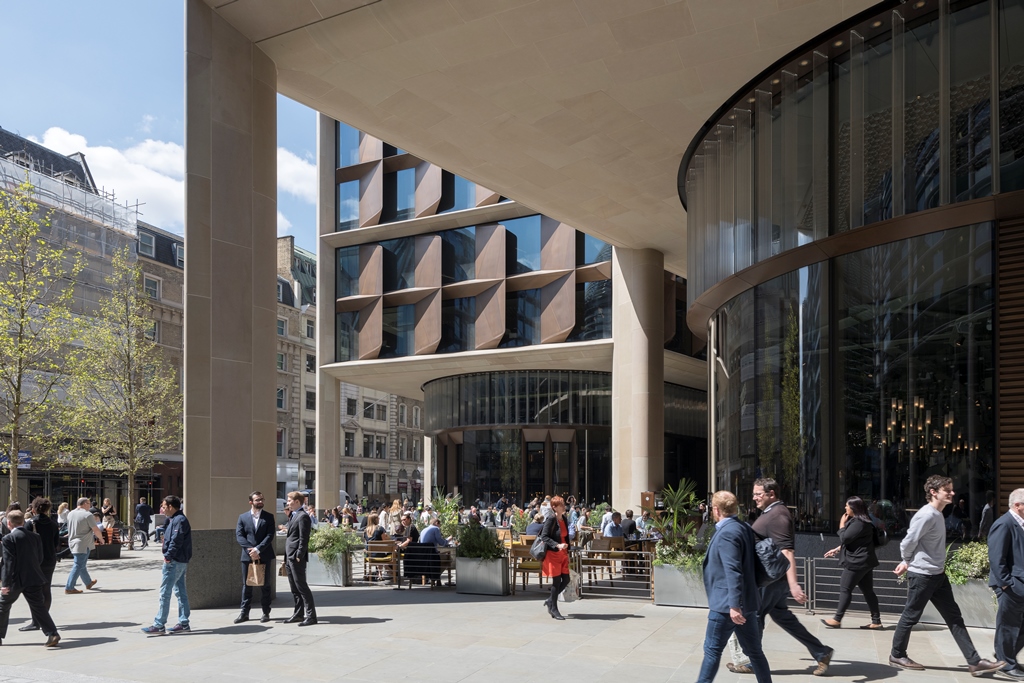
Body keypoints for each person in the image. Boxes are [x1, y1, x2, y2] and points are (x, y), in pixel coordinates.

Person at [888, 475, 1004, 674]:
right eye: (947, 490)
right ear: (933, 492)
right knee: (910, 616)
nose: (952, 493)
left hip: (937, 575)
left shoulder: (938, 514)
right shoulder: (926, 515)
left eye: (951, 489)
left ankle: (974, 662)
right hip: (923, 575)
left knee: (954, 618)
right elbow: (908, 541)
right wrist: (906, 561)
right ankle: (897, 655)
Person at [750, 478, 833, 676]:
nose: (754, 498)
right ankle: (821, 652)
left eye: (758, 494)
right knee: (782, 616)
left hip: (771, 580)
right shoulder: (771, 512)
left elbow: (787, 551)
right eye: (754, 494)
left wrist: (794, 584)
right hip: (773, 579)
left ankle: (752, 661)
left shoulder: (778, 515)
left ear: (771, 494)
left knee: (755, 615)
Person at [696, 490, 771, 683]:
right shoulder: (743, 527)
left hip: (727, 605)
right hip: (746, 603)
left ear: (716, 510)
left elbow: (733, 570)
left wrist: (734, 605)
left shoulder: (728, 533)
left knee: (712, 650)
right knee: (755, 652)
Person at [821, 496, 882, 630]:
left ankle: (837, 619)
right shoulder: (862, 521)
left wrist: (841, 525)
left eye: (847, 506)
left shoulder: (859, 523)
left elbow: (845, 538)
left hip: (857, 562)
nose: (845, 508)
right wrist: (837, 549)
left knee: (845, 589)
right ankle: (876, 621)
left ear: (854, 508)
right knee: (868, 591)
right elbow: (854, 540)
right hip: (865, 561)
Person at [0, 511, 60, 647]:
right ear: (23, 521)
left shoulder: (9, 538)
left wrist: (5, 583)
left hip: (16, 579)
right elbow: (39, 558)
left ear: (8, 523)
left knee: (3, 606)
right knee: (38, 606)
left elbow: (8, 562)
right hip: (33, 577)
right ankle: (52, 633)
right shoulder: (35, 537)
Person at [987, 488, 1024, 679]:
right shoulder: (1004, 524)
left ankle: (1004, 656)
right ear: (1018, 505)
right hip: (1011, 585)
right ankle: (1006, 664)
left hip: (1019, 584)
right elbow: (996, 557)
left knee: (1018, 625)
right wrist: (1006, 584)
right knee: (1008, 625)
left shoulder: (1020, 524)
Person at [141, 496, 192, 635]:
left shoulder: (179, 520)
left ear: (171, 506)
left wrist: (168, 556)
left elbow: (176, 540)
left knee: (165, 592)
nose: (162, 509)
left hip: (174, 561)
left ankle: (159, 624)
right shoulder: (175, 519)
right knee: (180, 592)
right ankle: (183, 623)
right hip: (179, 560)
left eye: (164, 507)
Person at [234, 491, 276, 624]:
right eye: (257, 500)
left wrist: (258, 549)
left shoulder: (268, 517)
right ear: (251, 502)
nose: (261, 501)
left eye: (262, 499)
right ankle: (244, 613)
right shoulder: (243, 517)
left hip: (264, 554)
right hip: (248, 556)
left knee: (265, 584)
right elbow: (239, 535)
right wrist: (250, 550)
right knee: (247, 585)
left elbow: (270, 535)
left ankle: (266, 612)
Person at [21, 498, 59, 633]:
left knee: (34, 591)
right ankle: (44, 619)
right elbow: (56, 544)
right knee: (46, 589)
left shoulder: (30, 523)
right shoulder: (53, 524)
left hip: (34, 561)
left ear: (33, 509)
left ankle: (36, 622)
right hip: (49, 560)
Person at [282, 491, 316, 626]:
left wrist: (299, 554)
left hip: (296, 557)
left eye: (289, 500)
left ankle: (311, 616)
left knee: (302, 587)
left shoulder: (303, 516)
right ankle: (298, 614)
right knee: (294, 588)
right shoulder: (293, 515)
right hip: (289, 557)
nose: (287, 503)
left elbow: (304, 538)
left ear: (297, 502)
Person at [539, 496, 571, 620]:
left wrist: (567, 550)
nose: (563, 506)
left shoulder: (564, 518)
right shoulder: (551, 519)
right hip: (553, 554)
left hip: (563, 554)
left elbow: (566, 537)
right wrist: (557, 545)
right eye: (561, 505)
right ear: (554, 507)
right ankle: (554, 609)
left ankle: (550, 601)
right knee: (556, 581)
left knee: (566, 579)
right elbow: (544, 536)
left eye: (563, 504)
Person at [64, 498, 104, 594]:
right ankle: (69, 587)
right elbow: (95, 529)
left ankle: (88, 582)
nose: (90, 506)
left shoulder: (70, 513)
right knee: (78, 565)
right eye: (89, 503)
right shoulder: (88, 515)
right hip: (83, 543)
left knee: (81, 564)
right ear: (85, 504)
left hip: (72, 542)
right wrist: (101, 539)